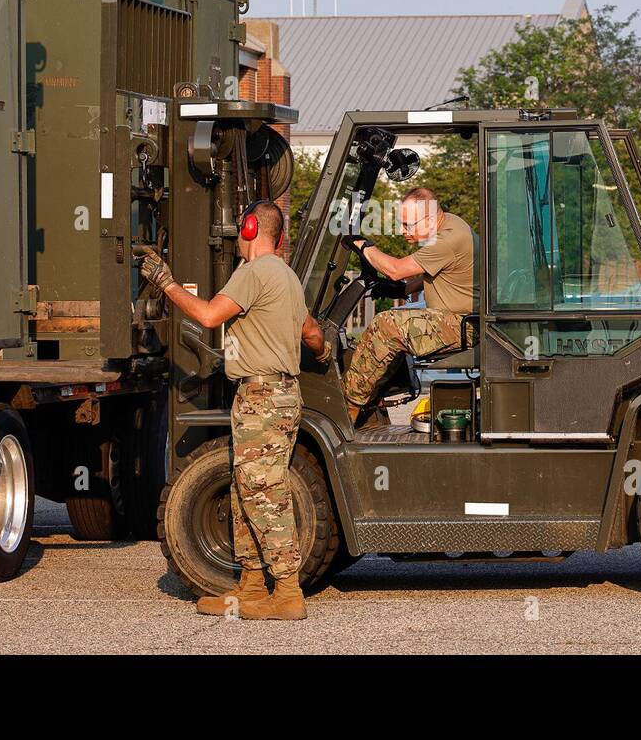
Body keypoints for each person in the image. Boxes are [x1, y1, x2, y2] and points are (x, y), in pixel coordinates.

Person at [138, 200, 327, 621]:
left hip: (262, 396)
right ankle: (253, 585)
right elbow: (310, 331)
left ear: (250, 228)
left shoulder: (255, 271)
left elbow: (209, 315)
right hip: (276, 394)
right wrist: (323, 352)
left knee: (265, 492)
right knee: (246, 489)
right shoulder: (287, 276)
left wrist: (166, 284)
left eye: (240, 227)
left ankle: (288, 594)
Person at [342, 187, 475, 424]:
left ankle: (347, 407)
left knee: (387, 325)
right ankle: (372, 396)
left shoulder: (448, 239)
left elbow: (395, 270)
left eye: (408, 225)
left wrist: (361, 244)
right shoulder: (450, 224)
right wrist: (402, 290)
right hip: (458, 319)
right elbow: (439, 272)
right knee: (396, 325)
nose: (402, 231)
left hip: (462, 325)